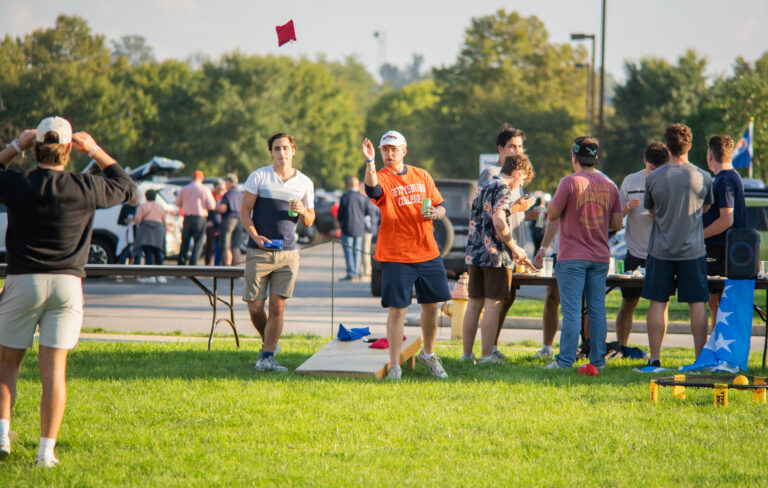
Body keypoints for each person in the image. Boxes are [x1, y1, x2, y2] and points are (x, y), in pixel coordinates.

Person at [0, 116, 135, 467]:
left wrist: (16, 146)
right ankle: (46, 452)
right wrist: (95, 150)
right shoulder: (86, 186)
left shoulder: (19, 183)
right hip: (67, 284)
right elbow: (128, 187)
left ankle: (2, 437)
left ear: (38, 146)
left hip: (23, 280)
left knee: (7, 366)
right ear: (68, 149)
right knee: (54, 371)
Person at [362, 130, 451, 380]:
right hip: (396, 254)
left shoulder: (421, 175)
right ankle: (394, 365)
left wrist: (437, 214)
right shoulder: (379, 176)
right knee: (397, 309)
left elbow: (440, 204)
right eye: (385, 150)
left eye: (394, 149)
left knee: (432, 306)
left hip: (427, 251)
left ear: (404, 151)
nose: (389, 154)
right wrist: (369, 162)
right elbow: (372, 191)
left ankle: (429, 354)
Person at [538, 136, 622, 370]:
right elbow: (617, 223)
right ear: (595, 158)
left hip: (572, 255)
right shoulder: (610, 185)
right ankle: (597, 361)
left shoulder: (569, 182)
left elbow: (553, 215)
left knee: (572, 311)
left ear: (574, 158)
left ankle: (564, 361)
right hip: (599, 256)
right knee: (597, 310)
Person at [640, 123, 713, 372]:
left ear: (667, 146)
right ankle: (700, 359)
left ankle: (655, 359)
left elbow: (650, 210)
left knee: (657, 302)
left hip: (660, 250)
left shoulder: (653, 178)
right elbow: (705, 208)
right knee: (697, 303)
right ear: (689, 146)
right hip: (693, 250)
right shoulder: (704, 177)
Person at [240, 133, 315, 372]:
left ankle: (268, 356)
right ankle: (269, 343)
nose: (281, 152)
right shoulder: (259, 176)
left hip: (288, 255)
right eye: (276, 148)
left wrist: (303, 211)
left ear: (293, 151)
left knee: (277, 307)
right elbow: (244, 212)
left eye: (285, 148)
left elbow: (310, 221)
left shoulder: (304, 183)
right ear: (270, 152)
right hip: (259, 252)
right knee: (254, 307)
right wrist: (255, 237)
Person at [472, 125, 536, 361]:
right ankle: (488, 351)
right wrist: (519, 208)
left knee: (504, 299)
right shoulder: (493, 174)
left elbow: (510, 213)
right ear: (500, 149)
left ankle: (488, 348)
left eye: (520, 146)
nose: (517, 150)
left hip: (509, 248)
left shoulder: (517, 178)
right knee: (493, 301)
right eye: (512, 146)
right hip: (497, 249)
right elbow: (493, 213)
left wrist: (529, 213)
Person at [614, 142, 670, 347]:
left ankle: (657, 350)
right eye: (650, 169)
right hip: (635, 253)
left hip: (662, 254)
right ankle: (621, 347)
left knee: (661, 304)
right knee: (628, 303)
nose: (653, 174)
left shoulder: (670, 180)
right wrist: (627, 207)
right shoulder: (631, 180)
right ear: (644, 161)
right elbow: (616, 216)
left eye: (658, 170)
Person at [702, 135, 746, 331]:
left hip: (720, 251)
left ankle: (718, 347)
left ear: (710, 155)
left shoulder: (724, 180)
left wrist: (699, 235)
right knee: (717, 304)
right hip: (727, 250)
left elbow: (726, 219)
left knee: (717, 303)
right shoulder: (732, 176)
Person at [176, 169, 215, 266]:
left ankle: (181, 264)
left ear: (192, 178)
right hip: (200, 218)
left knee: (184, 241)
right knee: (198, 243)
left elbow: (177, 203)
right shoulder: (204, 189)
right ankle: (193, 265)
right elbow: (212, 205)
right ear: (202, 178)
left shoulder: (184, 189)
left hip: (187, 217)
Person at [337, 176, 373, 281]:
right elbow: (368, 212)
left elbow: (340, 214)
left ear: (349, 185)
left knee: (348, 251)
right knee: (357, 251)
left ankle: (351, 273)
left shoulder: (344, 197)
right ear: (357, 185)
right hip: (359, 228)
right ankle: (356, 273)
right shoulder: (363, 197)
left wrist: (340, 222)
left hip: (347, 227)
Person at [135, 188, 168, 283]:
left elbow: (138, 220)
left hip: (146, 230)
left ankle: (149, 276)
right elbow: (164, 221)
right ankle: (160, 275)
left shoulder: (142, 206)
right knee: (158, 252)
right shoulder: (160, 207)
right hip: (158, 230)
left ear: (146, 197)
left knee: (148, 252)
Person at [218, 173, 244, 266]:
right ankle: (237, 268)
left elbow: (223, 208)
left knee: (226, 246)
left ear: (229, 182)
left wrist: (216, 209)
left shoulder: (228, 194)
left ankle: (227, 268)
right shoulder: (241, 193)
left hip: (229, 220)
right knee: (236, 246)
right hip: (240, 220)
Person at [204, 179, 226, 266]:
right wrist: (208, 221)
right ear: (215, 187)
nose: (221, 191)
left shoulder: (224, 196)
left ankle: (219, 264)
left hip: (221, 224)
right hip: (211, 224)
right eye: (219, 189)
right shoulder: (210, 195)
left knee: (220, 246)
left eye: (223, 189)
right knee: (210, 246)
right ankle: (208, 265)